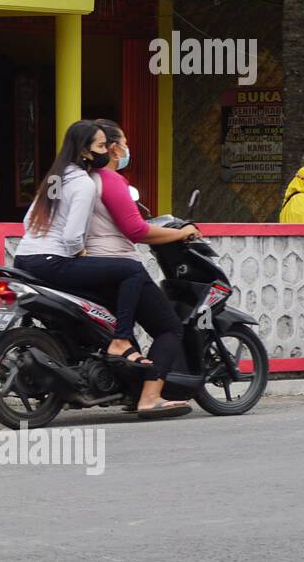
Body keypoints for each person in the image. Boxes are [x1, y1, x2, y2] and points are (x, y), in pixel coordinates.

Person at [13, 120, 157, 369]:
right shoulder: (83, 183)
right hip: (52, 261)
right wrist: (79, 251)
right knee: (131, 270)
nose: (106, 151)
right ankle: (122, 340)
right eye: (101, 146)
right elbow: (71, 237)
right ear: (83, 151)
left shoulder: (56, 178)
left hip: (24, 258)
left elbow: (28, 221)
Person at [88, 120, 201, 418]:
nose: (127, 150)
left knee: (127, 335)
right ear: (113, 148)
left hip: (93, 267)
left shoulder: (85, 180)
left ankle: (131, 391)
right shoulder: (110, 180)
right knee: (169, 328)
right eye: (123, 143)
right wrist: (180, 232)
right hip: (119, 264)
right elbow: (137, 230)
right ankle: (150, 397)